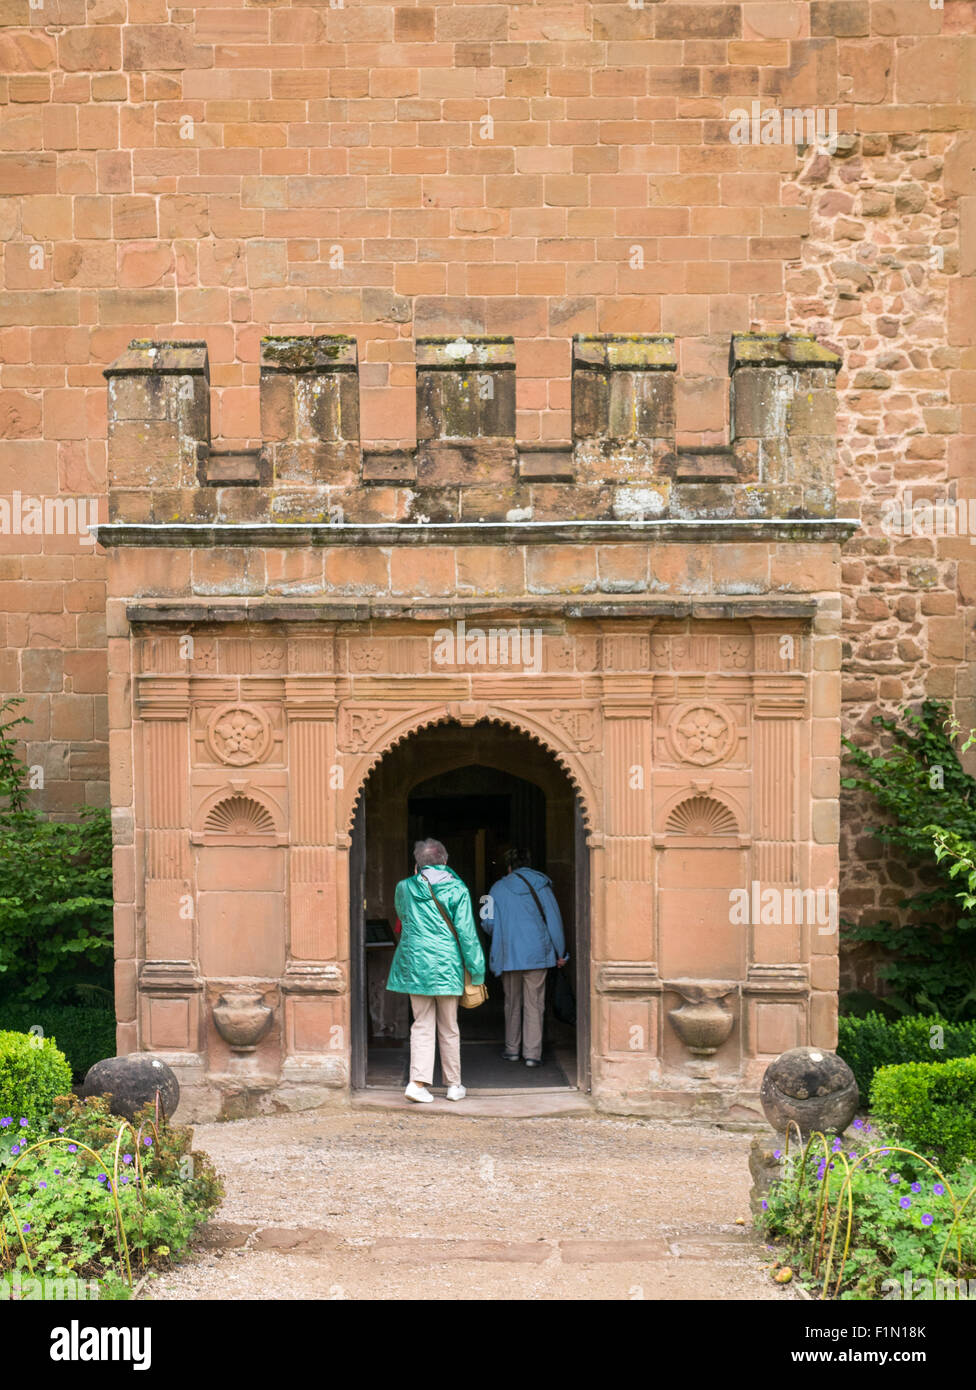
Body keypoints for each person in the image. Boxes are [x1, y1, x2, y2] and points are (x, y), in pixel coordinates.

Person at [386, 837, 485, 1104]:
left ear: (416, 863)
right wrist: (477, 971)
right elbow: (467, 934)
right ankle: (454, 1085)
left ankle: (417, 1083)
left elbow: (403, 917)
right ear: (445, 860)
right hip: (447, 965)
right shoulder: (457, 888)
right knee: (449, 1026)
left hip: (416, 964)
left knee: (421, 1024)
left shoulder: (404, 887)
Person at [481, 848, 567, 1068]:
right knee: (535, 1003)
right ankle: (532, 1054)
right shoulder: (542, 885)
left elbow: (487, 923)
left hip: (508, 953)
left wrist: (501, 933)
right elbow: (554, 921)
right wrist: (560, 952)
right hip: (537, 953)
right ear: (529, 864)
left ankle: (512, 1049)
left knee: (512, 1002)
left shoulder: (496, 889)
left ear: (509, 867)